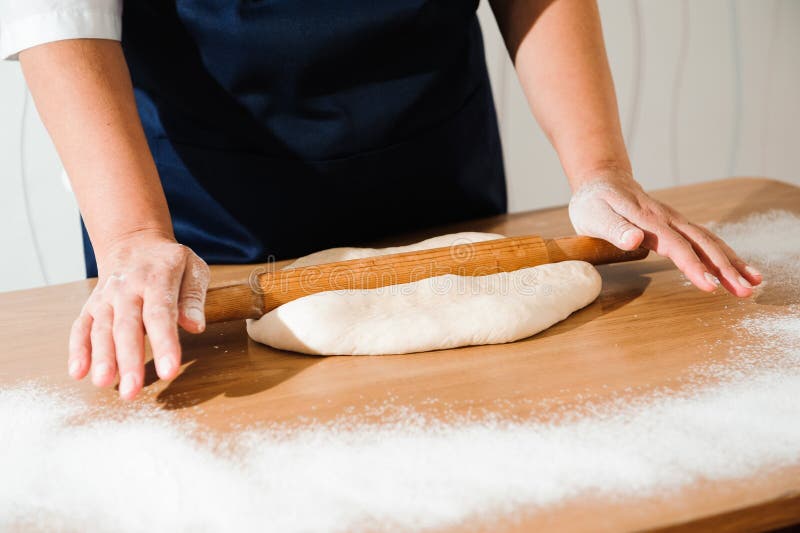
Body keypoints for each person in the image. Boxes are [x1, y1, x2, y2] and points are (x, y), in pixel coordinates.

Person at [2, 0, 761, 401]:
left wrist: (601, 166)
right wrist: (133, 233)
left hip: (431, 160)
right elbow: (56, 14)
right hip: (195, 214)